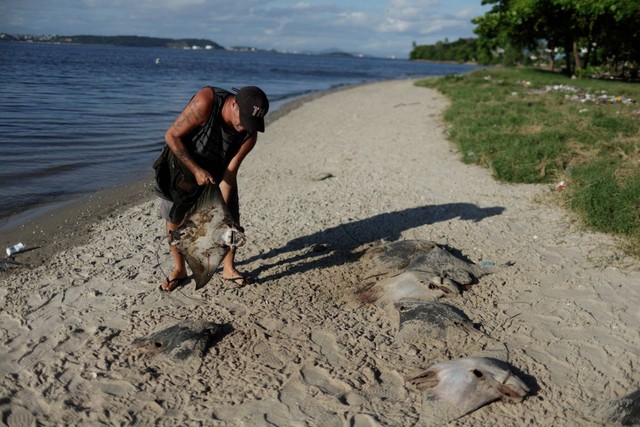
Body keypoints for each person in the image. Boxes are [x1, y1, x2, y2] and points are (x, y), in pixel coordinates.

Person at [153, 85, 269, 292]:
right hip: (181, 163)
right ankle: (179, 269)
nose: (245, 126)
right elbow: (171, 136)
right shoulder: (206, 102)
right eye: (243, 119)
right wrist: (196, 170)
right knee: (174, 217)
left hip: (218, 170)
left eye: (251, 123)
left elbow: (230, 174)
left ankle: (228, 268)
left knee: (231, 221)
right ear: (233, 104)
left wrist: (224, 216)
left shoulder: (249, 133)